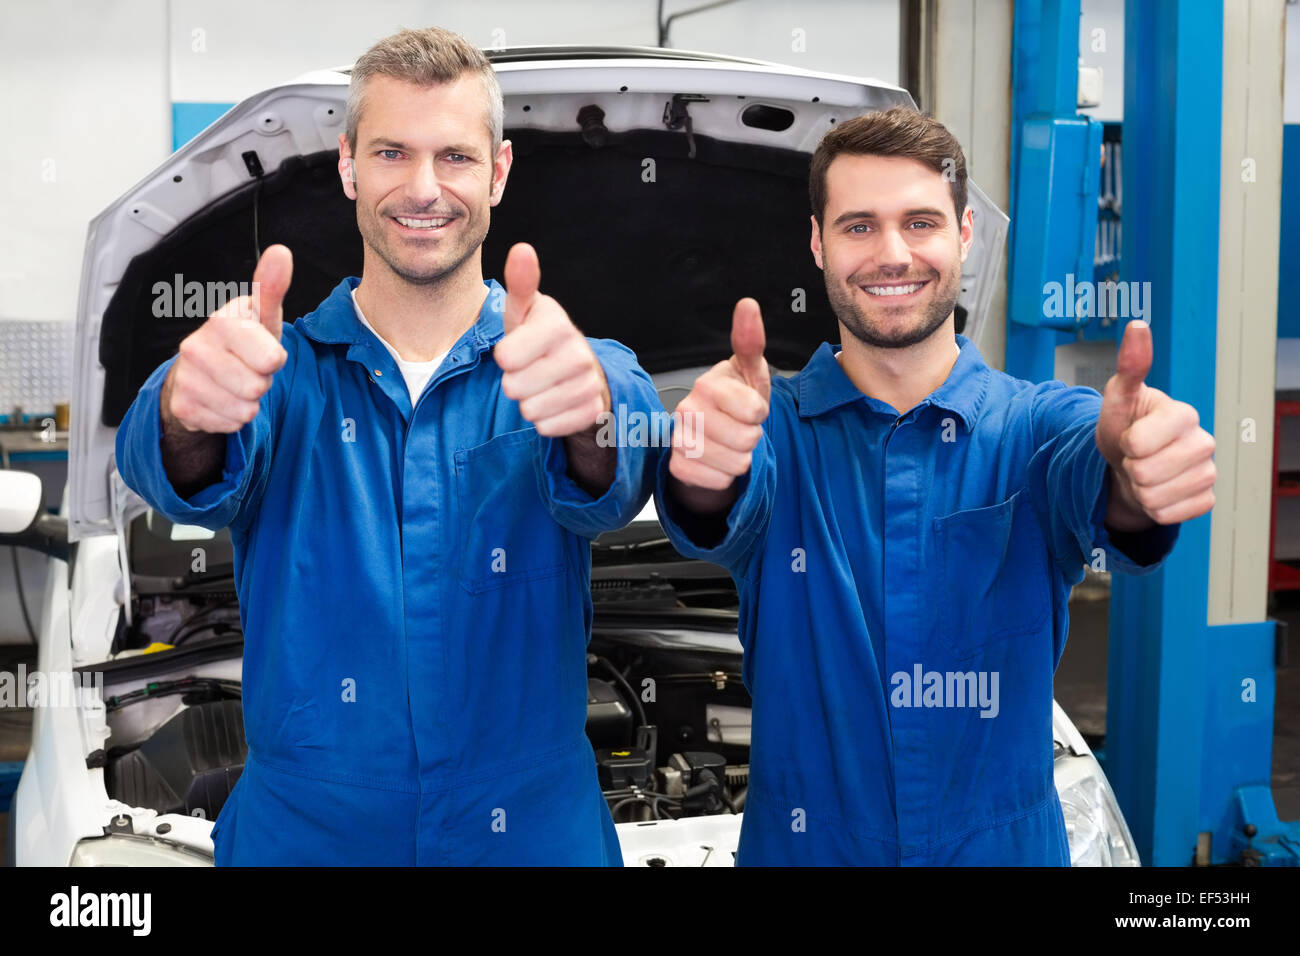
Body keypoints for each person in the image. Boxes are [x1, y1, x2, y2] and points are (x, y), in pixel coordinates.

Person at [115, 27, 665, 865]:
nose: (422, 188)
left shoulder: (564, 368)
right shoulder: (280, 375)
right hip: (306, 833)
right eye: (391, 153)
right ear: (347, 166)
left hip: (527, 831)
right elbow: (172, 462)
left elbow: (619, 455)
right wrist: (187, 414)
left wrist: (589, 415)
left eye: (453, 156)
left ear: (499, 171)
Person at [655, 105, 1216, 865]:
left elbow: (1096, 477)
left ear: (964, 235)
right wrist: (703, 467)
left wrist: (1135, 473)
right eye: (858, 226)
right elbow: (717, 501)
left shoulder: (1036, 426)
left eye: (920, 222)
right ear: (818, 243)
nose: (892, 254)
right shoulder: (774, 431)